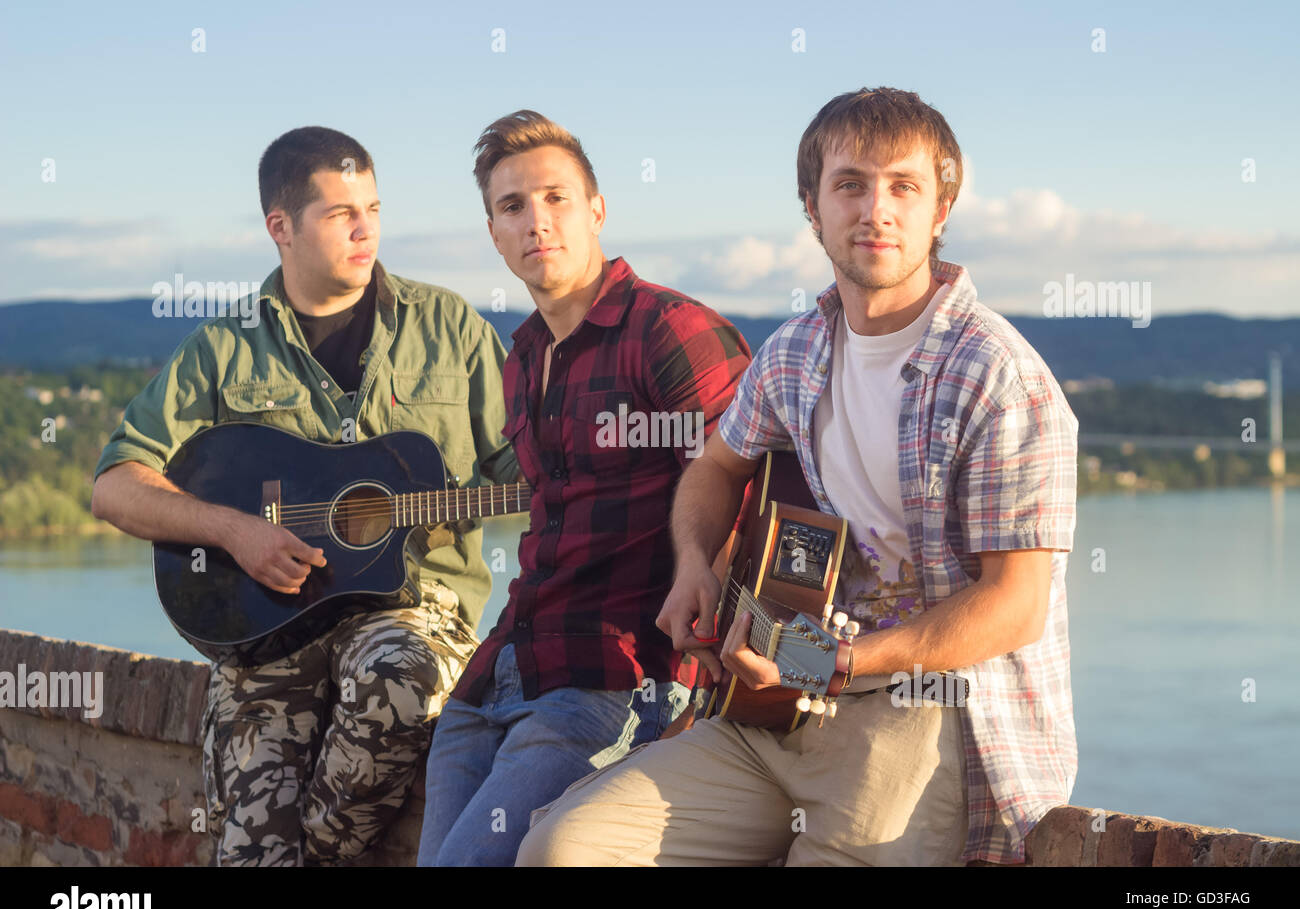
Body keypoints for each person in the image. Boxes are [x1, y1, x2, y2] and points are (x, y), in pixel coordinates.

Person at [517, 87, 1079, 867]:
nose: (875, 210)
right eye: (850, 184)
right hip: (776, 706)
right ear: (812, 208)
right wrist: (693, 572)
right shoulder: (796, 351)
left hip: (924, 718)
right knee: (562, 849)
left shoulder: (997, 376)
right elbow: (716, 465)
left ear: (941, 208)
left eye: (903, 187)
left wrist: (840, 660)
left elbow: (1015, 607)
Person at [91, 126, 518, 866]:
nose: (365, 229)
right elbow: (116, 486)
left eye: (374, 208)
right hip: (267, 636)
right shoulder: (223, 349)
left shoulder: (451, 329)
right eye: (338, 213)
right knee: (250, 846)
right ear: (280, 227)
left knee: (399, 677)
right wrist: (233, 531)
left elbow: (534, 468)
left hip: (411, 613)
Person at [417, 110, 751, 866]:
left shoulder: (671, 330)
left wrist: (701, 688)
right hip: (491, 683)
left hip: (609, 683)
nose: (537, 221)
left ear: (596, 209)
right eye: (512, 207)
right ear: (494, 234)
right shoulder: (523, 354)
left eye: (556, 197)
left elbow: (749, 494)